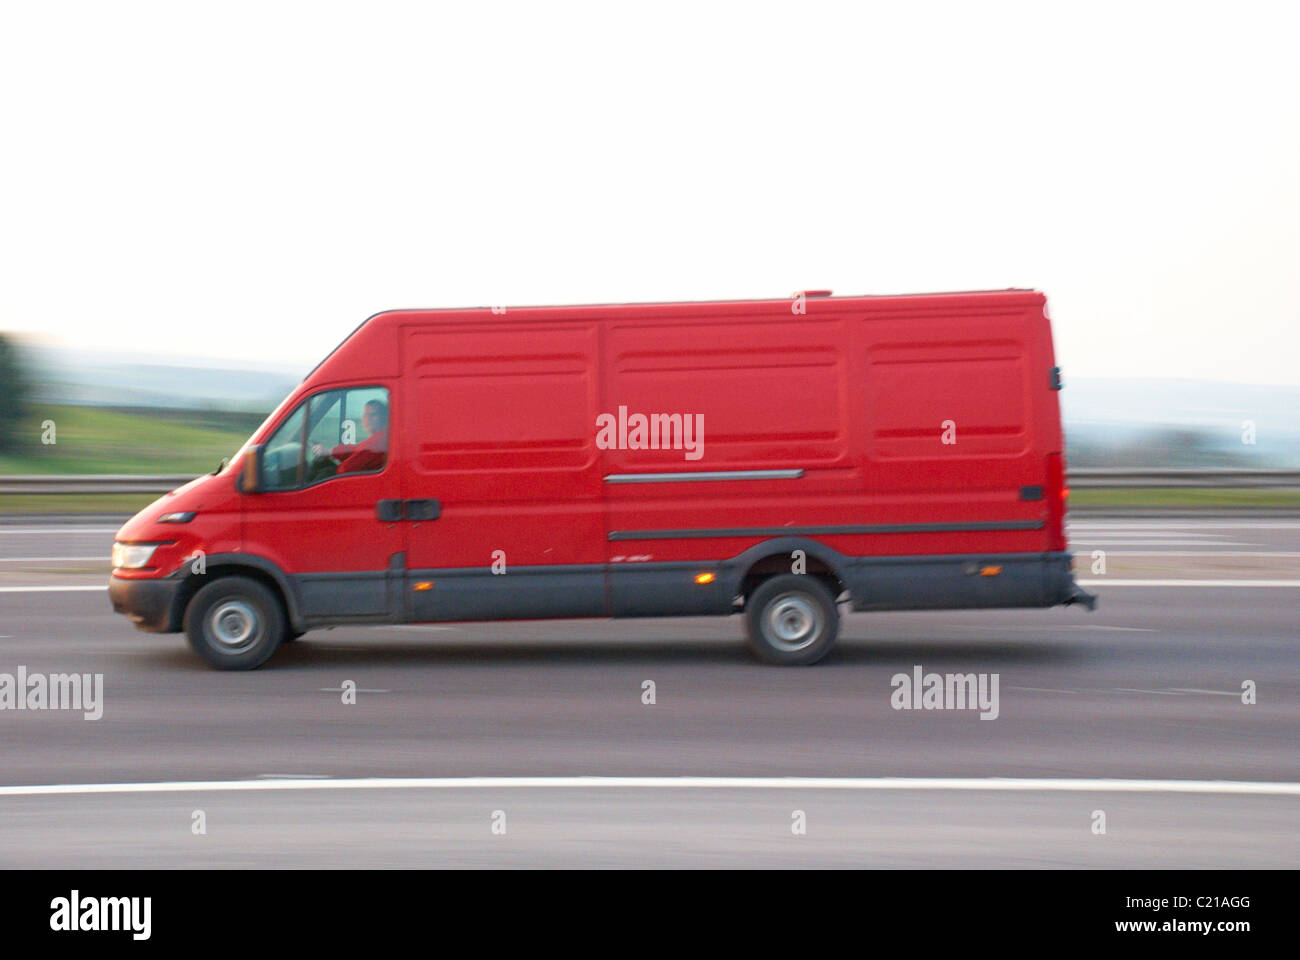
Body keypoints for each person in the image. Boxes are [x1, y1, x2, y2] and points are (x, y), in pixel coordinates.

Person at [312, 399, 388, 474]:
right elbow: (355, 449)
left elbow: (345, 469)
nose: (367, 419)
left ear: (384, 417)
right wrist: (330, 451)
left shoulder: (378, 441)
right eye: (365, 415)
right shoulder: (381, 437)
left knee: (325, 471)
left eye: (373, 415)